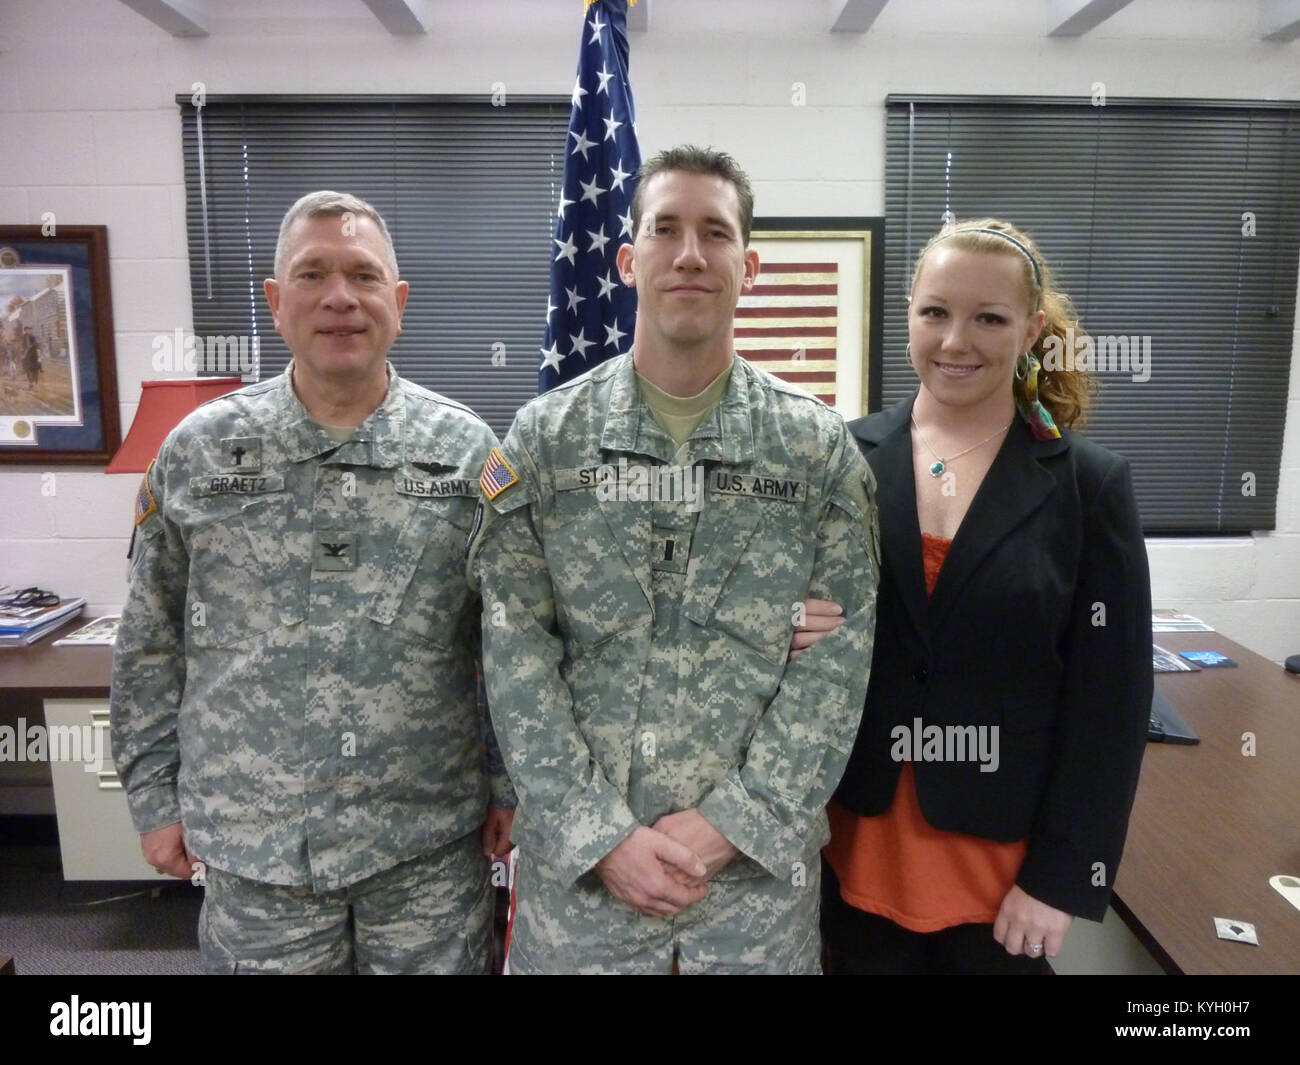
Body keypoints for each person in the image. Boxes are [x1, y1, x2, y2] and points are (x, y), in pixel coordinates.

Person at [468, 146, 880, 974]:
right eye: (665, 229)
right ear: (628, 260)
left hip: (751, 902)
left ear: (748, 265)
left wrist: (735, 819)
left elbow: (838, 662)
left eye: (715, 233)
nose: (690, 253)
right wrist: (601, 835)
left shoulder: (814, 451)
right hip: (583, 902)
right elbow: (513, 659)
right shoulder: (546, 444)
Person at [110, 190, 514, 974]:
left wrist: (509, 784)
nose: (339, 298)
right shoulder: (198, 453)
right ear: (274, 300)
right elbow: (151, 638)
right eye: (312, 274)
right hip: (257, 850)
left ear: (397, 301)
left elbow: (504, 639)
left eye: (364, 276)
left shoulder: (465, 452)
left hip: (424, 848)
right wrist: (154, 798)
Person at [804, 218, 1152, 974]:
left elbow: (1112, 705)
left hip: (999, 878)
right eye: (936, 312)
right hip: (849, 846)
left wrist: (1061, 879)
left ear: (1030, 329)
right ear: (909, 316)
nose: (956, 340)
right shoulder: (844, 457)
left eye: (988, 318)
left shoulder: (1088, 486)